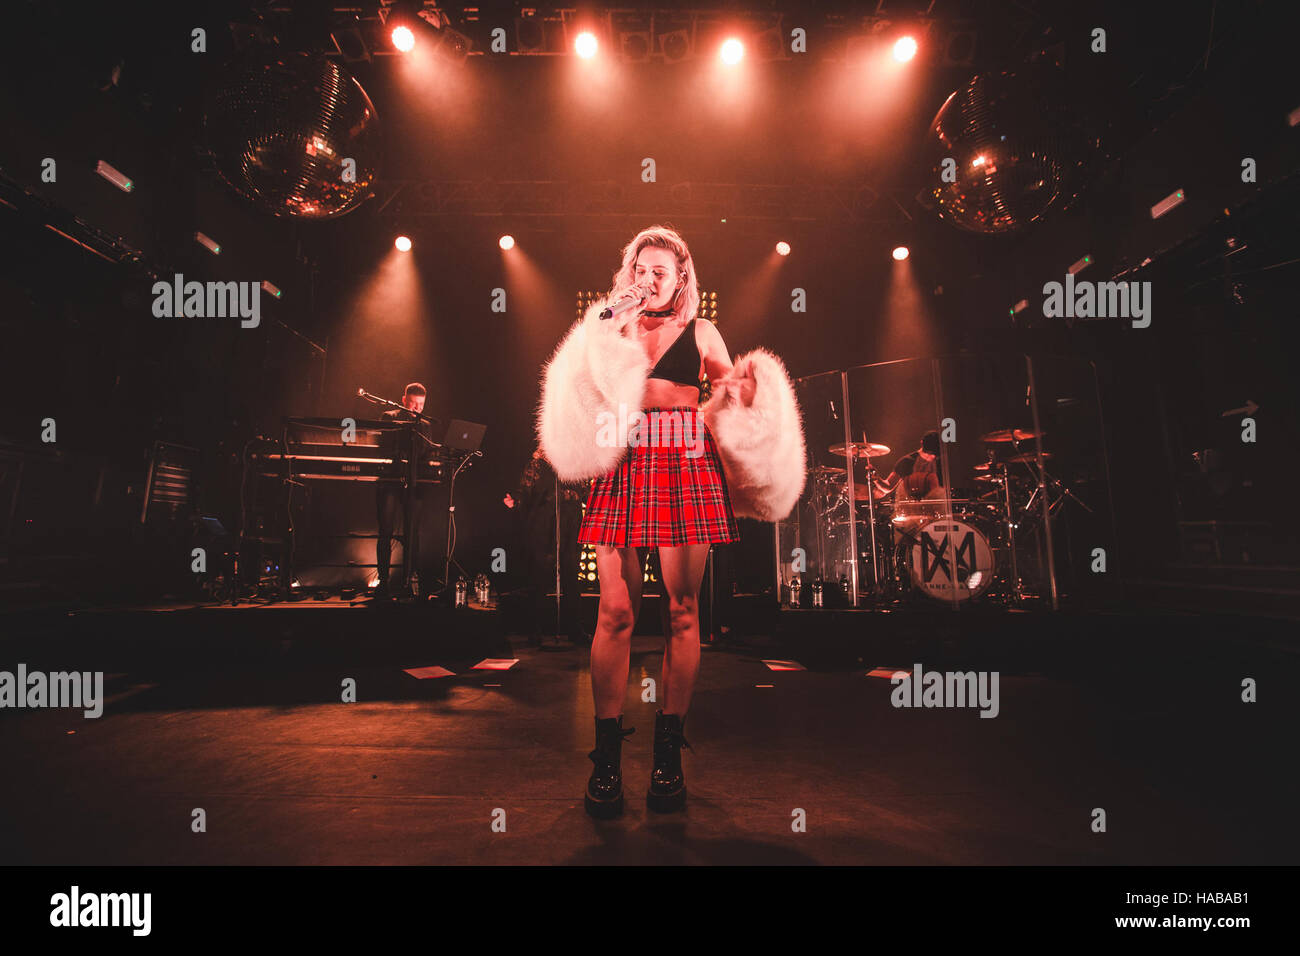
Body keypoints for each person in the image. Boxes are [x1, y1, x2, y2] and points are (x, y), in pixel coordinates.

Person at [538, 224, 806, 820]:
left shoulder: (702, 329)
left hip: (686, 459)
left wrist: (746, 392)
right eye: (641, 267)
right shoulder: (611, 324)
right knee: (615, 612)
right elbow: (575, 389)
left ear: (682, 278)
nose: (650, 278)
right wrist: (608, 320)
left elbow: (727, 395)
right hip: (624, 455)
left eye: (661, 270)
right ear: (628, 272)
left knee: (682, 612)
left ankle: (667, 756)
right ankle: (606, 760)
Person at [504, 444, 588, 646]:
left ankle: (574, 630)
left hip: (569, 526)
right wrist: (515, 502)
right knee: (540, 578)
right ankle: (535, 630)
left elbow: (585, 491)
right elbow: (525, 490)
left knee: (570, 577)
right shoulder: (537, 465)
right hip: (543, 527)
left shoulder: (575, 464)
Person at [375, 383, 434, 598]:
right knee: (385, 531)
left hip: (415, 481)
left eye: (421, 405)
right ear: (403, 400)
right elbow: (384, 443)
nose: (417, 409)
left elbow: (427, 453)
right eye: (413, 404)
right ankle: (383, 580)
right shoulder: (389, 416)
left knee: (412, 533)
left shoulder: (426, 425)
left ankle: (411, 578)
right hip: (390, 480)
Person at [875, 429, 944, 501]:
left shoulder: (940, 462)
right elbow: (888, 487)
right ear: (922, 443)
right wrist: (876, 478)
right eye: (929, 453)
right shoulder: (907, 461)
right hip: (910, 507)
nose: (933, 457)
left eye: (936, 454)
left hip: (935, 506)